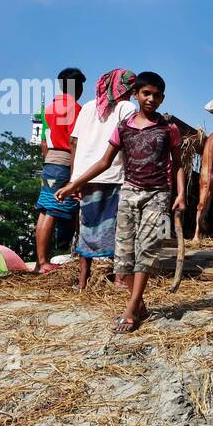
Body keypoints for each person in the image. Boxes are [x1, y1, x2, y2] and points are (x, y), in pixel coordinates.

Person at [58, 72, 184, 332]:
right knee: (125, 253)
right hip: (128, 193)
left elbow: (178, 165)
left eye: (156, 95)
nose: (151, 99)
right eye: (146, 93)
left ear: (162, 98)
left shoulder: (167, 128)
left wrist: (180, 194)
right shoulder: (124, 127)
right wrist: (74, 183)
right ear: (136, 94)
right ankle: (140, 304)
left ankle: (131, 309)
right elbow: (105, 162)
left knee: (147, 248)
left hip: (157, 195)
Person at [69, 69, 137, 291]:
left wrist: (74, 179)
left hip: (84, 175)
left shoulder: (88, 107)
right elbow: (130, 141)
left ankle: (82, 281)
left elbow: (73, 142)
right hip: (113, 175)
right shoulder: (126, 108)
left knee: (86, 226)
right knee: (119, 228)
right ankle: (119, 279)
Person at [34, 67, 86, 272]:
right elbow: (74, 142)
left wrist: (49, 160)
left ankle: (40, 261)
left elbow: (42, 142)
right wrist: (75, 174)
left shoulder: (46, 109)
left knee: (45, 209)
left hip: (49, 162)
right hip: (66, 162)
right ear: (78, 87)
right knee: (53, 212)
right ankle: (44, 263)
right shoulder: (76, 109)